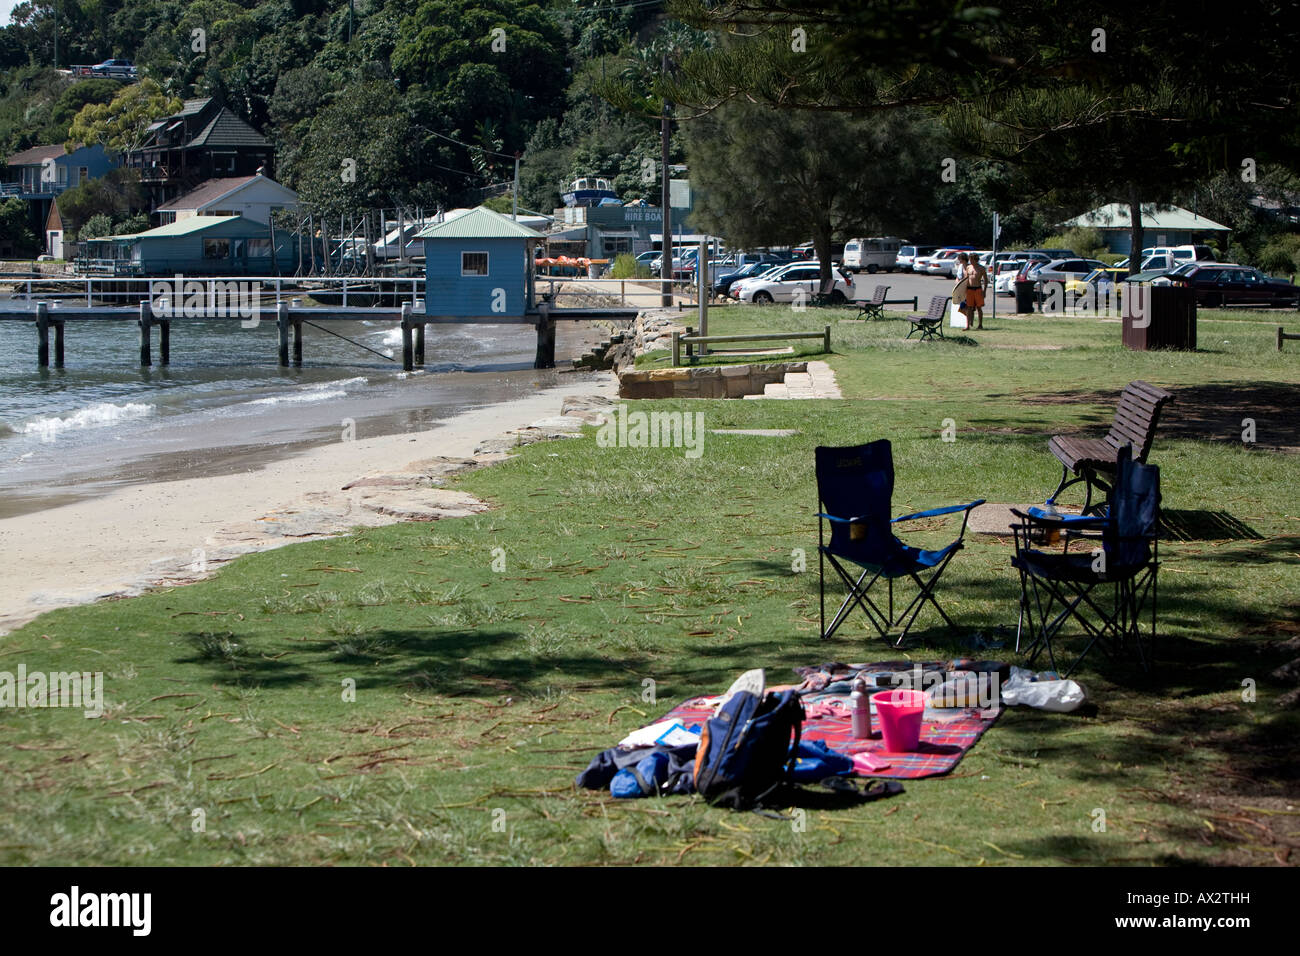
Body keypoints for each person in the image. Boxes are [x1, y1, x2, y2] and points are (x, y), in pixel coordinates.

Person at [965, 255, 987, 330]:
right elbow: (965, 279)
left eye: (971, 259)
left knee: (979, 307)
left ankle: (980, 324)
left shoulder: (981, 268)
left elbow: (986, 280)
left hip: (978, 289)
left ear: (975, 260)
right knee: (968, 307)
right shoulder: (968, 267)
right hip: (969, 289)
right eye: (969, 259)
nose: (970, 261)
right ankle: (967, 325)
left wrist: (984, 291)